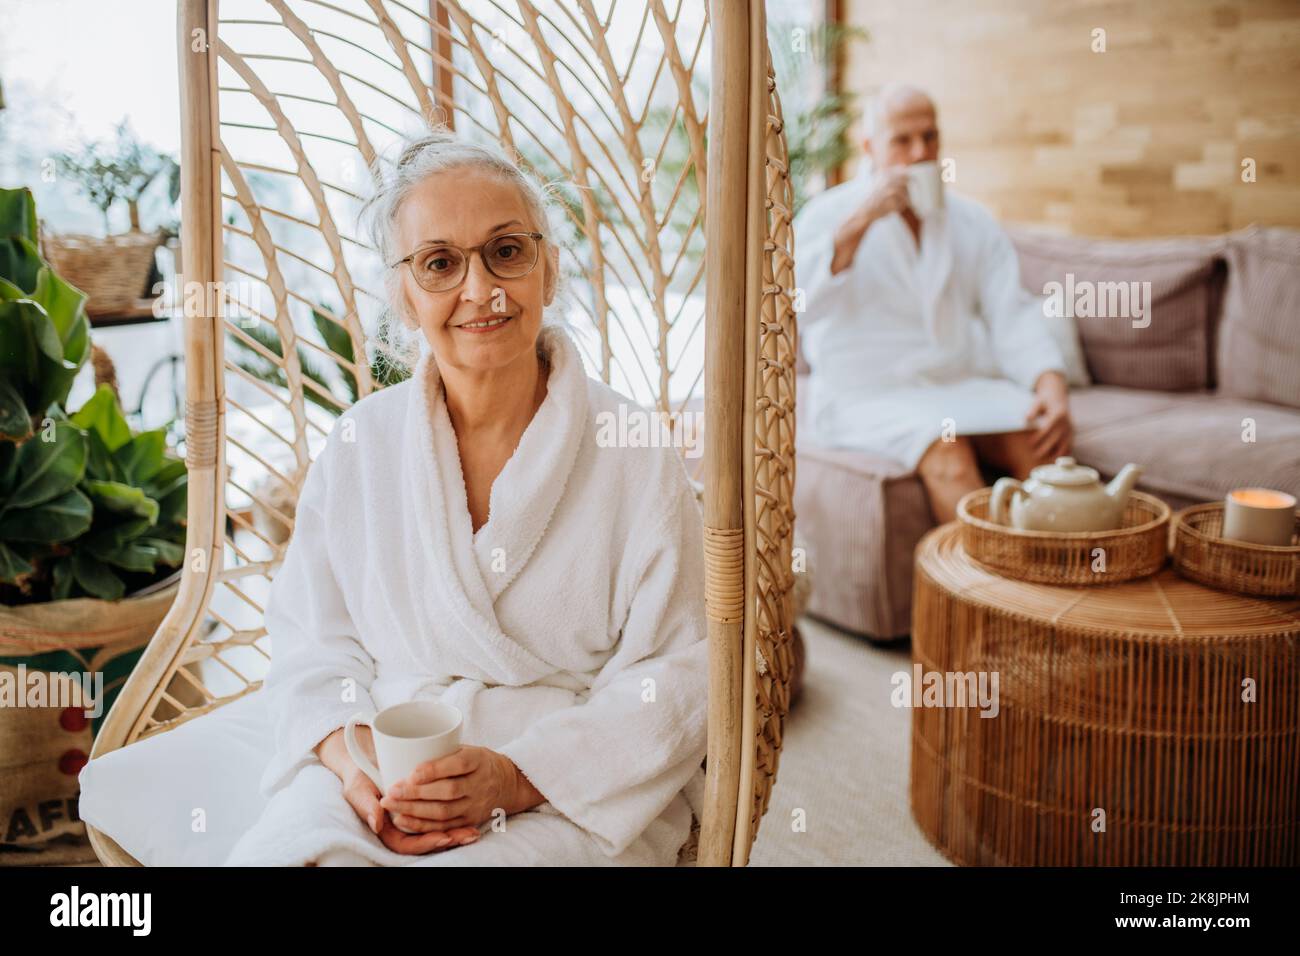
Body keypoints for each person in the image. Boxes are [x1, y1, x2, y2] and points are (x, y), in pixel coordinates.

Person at [222, 130, 708, 866]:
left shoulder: (633, 448)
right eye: (440, 264)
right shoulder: (361, 445)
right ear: (404, 295)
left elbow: (681, 671)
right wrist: (355, 772)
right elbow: (310, 645)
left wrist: (518, 777)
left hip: (574, 781)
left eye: (506, 252)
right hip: (384, 764)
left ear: (547, 267)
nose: (480, 290)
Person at [795, 83, 1078, 523]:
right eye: (902, 141)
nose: (919, 153)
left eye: (929, 137)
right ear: (870, 147)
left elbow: (1011, 312)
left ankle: (1054, 576)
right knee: (950, 452)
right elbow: (794, 306)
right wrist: (860, 224)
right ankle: (993, 586)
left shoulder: (970, 220)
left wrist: (1049, 383)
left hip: (954, 384)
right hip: (865, 394)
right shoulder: (829, 216)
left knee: (1039, 444)